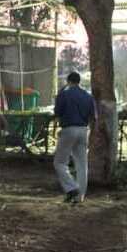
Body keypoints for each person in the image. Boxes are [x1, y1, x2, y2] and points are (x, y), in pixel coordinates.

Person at [53, 71, 96, 204]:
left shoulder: (64, 94)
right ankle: (80, 196)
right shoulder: (88, 96)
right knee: (82, 164)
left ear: (68, 81)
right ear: (79, 81)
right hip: (84, 129)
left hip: (69, 129)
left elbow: (57, 112)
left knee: (59, 163)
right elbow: (93, 117)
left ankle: (72, 188)